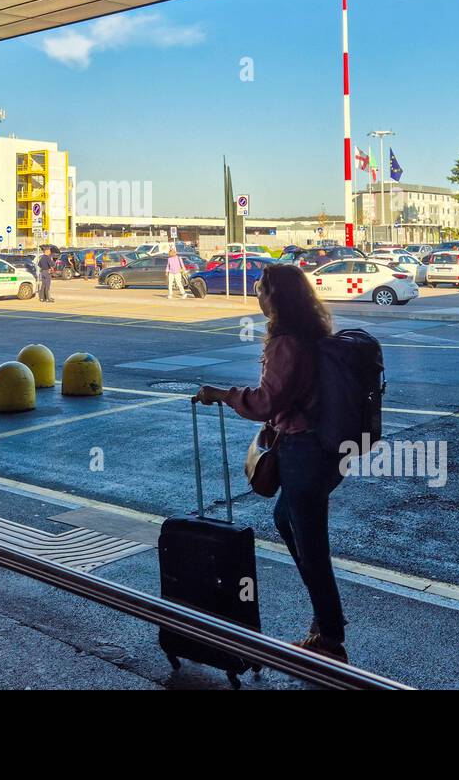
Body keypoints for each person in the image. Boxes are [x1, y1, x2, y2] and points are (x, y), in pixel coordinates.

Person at [195, 265, 347, 662]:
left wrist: (222, 394)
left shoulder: (286, 343)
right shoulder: (313, 333)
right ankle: (326, 621)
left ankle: (329, 636)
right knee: (288, 520)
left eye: (260, 290)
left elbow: (266, 402)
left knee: (312, 545)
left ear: (275, 297)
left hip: (303, 451)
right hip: (328, 451)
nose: (257, 296)